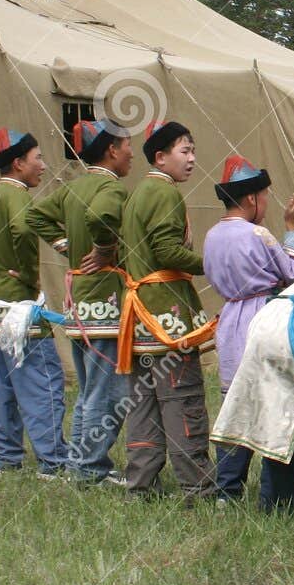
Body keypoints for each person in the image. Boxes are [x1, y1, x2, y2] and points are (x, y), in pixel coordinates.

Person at [24, 118, 133, 486]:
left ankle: (79, 463)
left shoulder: (72, 189)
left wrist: (65, 246)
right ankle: (91, 468)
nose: (132, 152)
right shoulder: (110, 189)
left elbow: (35, 215)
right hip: (104, 301)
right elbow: (100, 216)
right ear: (112, 149)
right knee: (110, 392)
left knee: (89, 392)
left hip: (78, 305)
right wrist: (104, 248)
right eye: (127, 144)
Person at [118, 118, 216, 501]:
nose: (192, 159)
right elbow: (167, 252)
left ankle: (140, 485)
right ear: (160, 156)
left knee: (143, 405)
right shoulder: (165, 193)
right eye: (185, 150)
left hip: (140, 319)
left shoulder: (138, 192)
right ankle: (198, 486)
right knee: (182, 400)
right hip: (167, 318)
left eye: (193, 151)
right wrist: (214, 263)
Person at [0, 129, 67, 480]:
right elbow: (23, 231)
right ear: (19, 163)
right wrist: (24, 274)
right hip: (18, 309)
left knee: (3, 387)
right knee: (42, 383)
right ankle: (52, 462)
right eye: (38, 158)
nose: (43, 165)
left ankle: (5, 460)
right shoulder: (17, 196)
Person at [202, 155, 294, 505]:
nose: (266, 204)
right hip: (263, 316)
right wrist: (291, 226)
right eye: (265, 197)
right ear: (251, 199)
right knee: (269, 405)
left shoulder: (212, 235)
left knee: (235, 403)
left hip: (230, 319)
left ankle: (226, 490)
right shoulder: (259, 234)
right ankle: (273, 495)